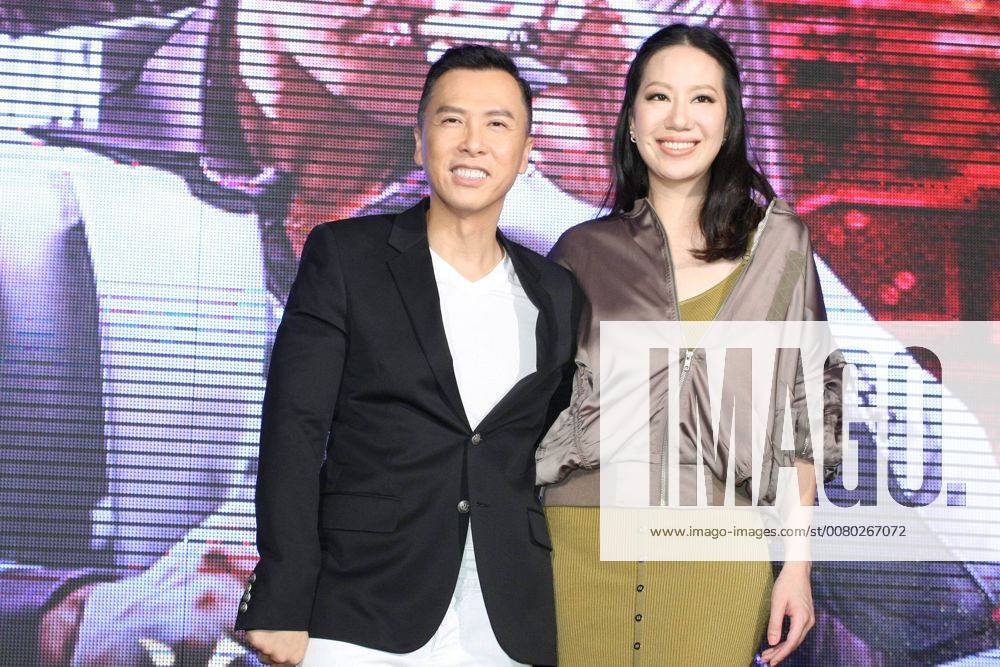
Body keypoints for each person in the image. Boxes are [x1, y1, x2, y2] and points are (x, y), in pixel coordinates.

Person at [233, 45, 581, 667]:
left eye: (497, 124)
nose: (473, 143)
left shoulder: (555, 290)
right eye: (452, 120)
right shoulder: (345, 256)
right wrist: (282, 594)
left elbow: (550, 451)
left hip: (509, 618)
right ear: (419, 143)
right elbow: (294, 428)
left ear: (527, 153)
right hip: (362, 606)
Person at [534, 24, 843, 666]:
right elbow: (530, 412)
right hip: (579, 550)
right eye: (658, 97)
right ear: (630, 120)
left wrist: (797, 566)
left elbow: (807, 411)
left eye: (702, 98)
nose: (679, 119)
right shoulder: (580, 253)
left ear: (728, 122)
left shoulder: (780, 247)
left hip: (718, 560)